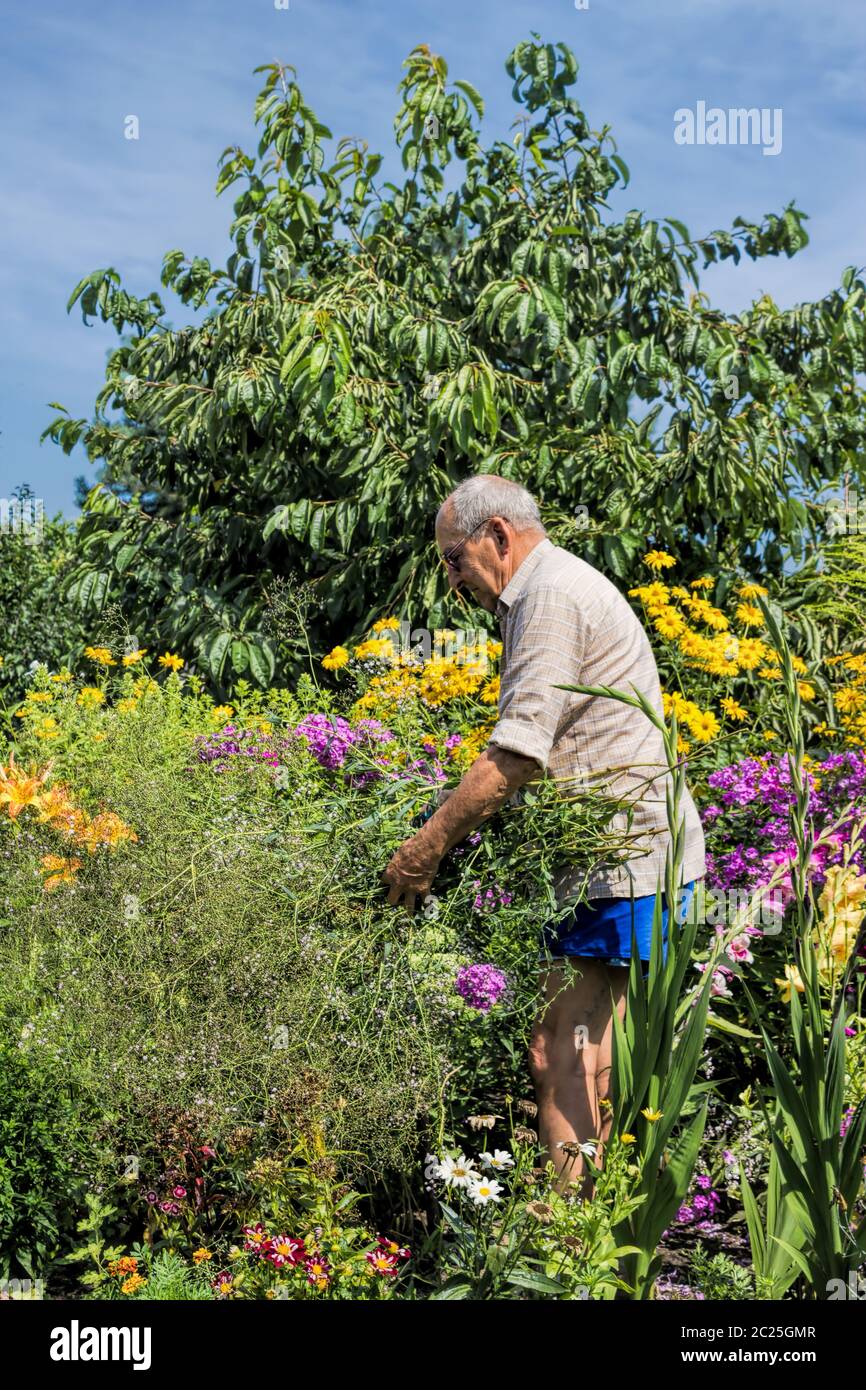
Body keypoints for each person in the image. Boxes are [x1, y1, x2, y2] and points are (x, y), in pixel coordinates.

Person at [381, 475, 705, 1194]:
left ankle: (572, 1245)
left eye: (454, 559)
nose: (451, 580)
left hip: (622, 863)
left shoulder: (548, 597)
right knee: (601, 1056)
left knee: (560, 1051)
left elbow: (518, 755)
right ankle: (607, 1234)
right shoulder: (553, 587)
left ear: (497, 534)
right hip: (635, 855)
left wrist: (423, 851)